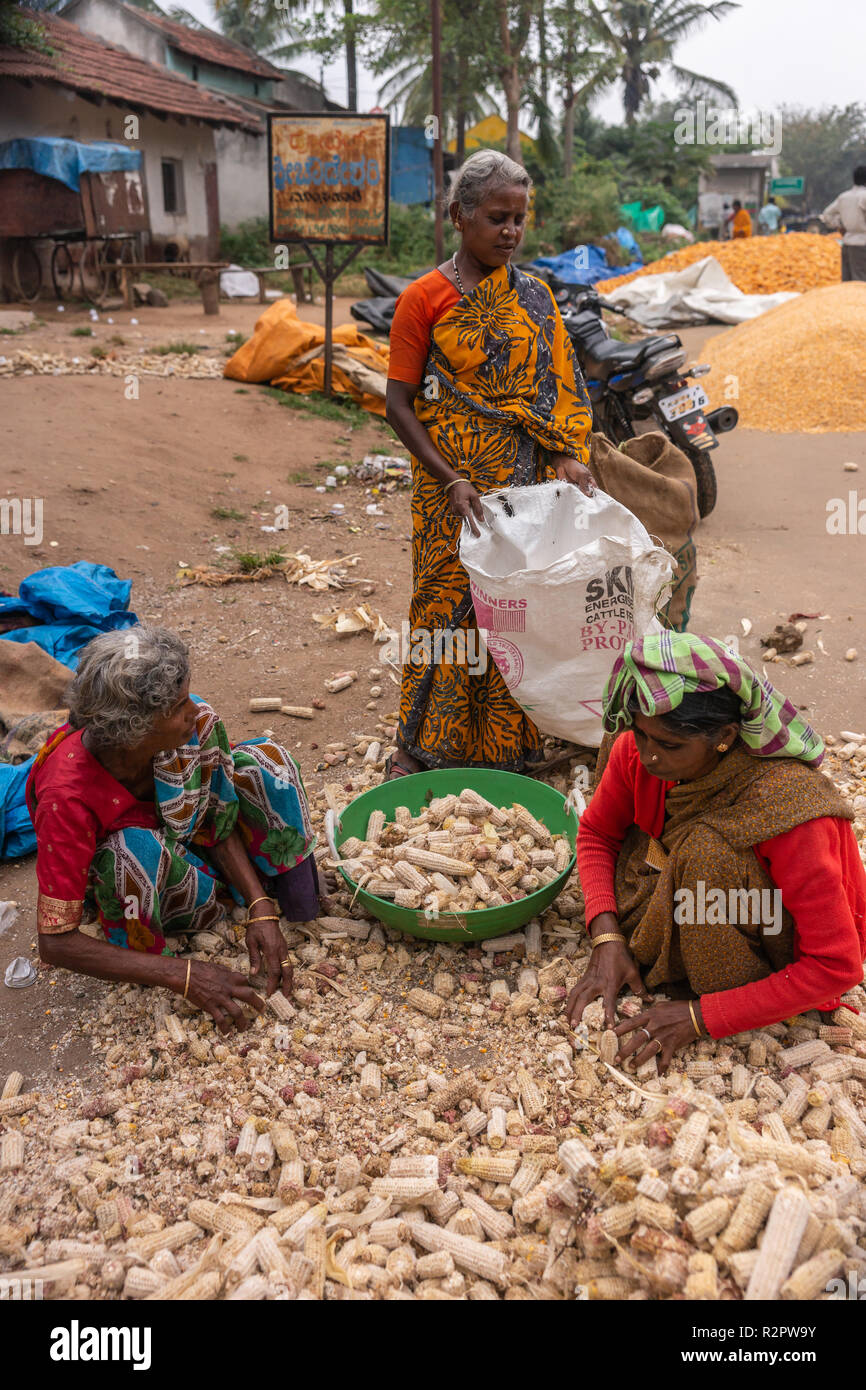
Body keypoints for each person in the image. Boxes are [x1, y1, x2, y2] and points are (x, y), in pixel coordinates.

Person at [384, 149, 594, 778]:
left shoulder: (534, 296)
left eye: (519, 219)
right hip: (450, 482)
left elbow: (558, 388)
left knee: (513, 607)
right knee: (445, 605)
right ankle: (422, 745)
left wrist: (565, 455)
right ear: (459, 216)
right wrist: (450, 477)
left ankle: (511, 746)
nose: (510, 231)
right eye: (497, 218)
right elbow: (398, 403)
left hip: (523, 484)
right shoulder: (423, 299)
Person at [565, 633, 866, 1072]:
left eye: (669, 745)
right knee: (694, 854)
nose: (648, 756)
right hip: (690, 894)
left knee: (707, 851)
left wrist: (699, 1017)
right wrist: (606, 937)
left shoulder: (788, 805)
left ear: (724, 736)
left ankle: (724, 985)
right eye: (642, 734)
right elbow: (596, 834)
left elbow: (834, 966)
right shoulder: (639, 749)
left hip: (764, 926)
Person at [29, 626, 323, 1034]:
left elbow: (215, 819)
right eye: (178, 705)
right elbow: (55, 942)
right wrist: (187, 976)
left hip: (187, 839)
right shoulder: (67, 796)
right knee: (132, 851)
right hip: (136, 881)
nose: (193, 710)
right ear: (134, 729)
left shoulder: (190, 730)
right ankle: (151, 947)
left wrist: (260, 908)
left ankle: (288, 897)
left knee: (268, 763)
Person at [822, 166, 866, 282]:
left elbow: (827, 214)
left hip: (847, 242)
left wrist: (839, 226)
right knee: (860, 282)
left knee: (847, 282)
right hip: (862, 243)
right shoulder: (864, 196)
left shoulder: (844, 197)